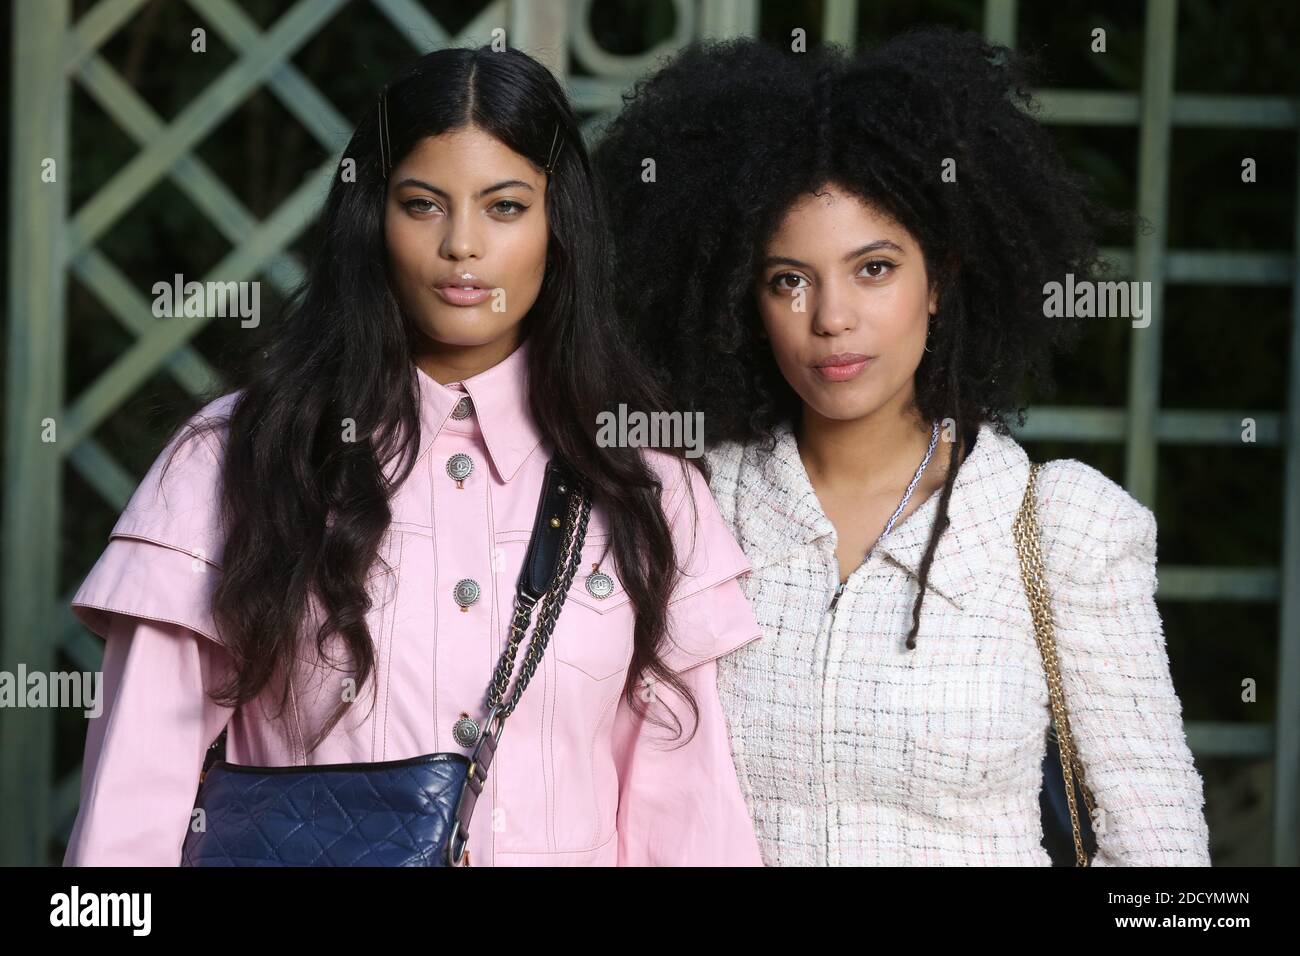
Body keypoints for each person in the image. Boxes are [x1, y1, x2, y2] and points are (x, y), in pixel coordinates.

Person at [65, 45, 763, 867]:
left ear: (558, 227)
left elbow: (685, 820)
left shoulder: (645, 488)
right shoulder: (238, 461)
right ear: (373, 219)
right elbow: (128, 818)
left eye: (505, 207)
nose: (461, 245)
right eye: (424, 204)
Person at [595, 30, 1212, 866]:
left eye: (874, 268)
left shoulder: (1061, 527)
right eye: (789, 280)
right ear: (745, 299)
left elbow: (1162, 854)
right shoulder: (691, 505)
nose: (833, 318)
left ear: (941, 281)